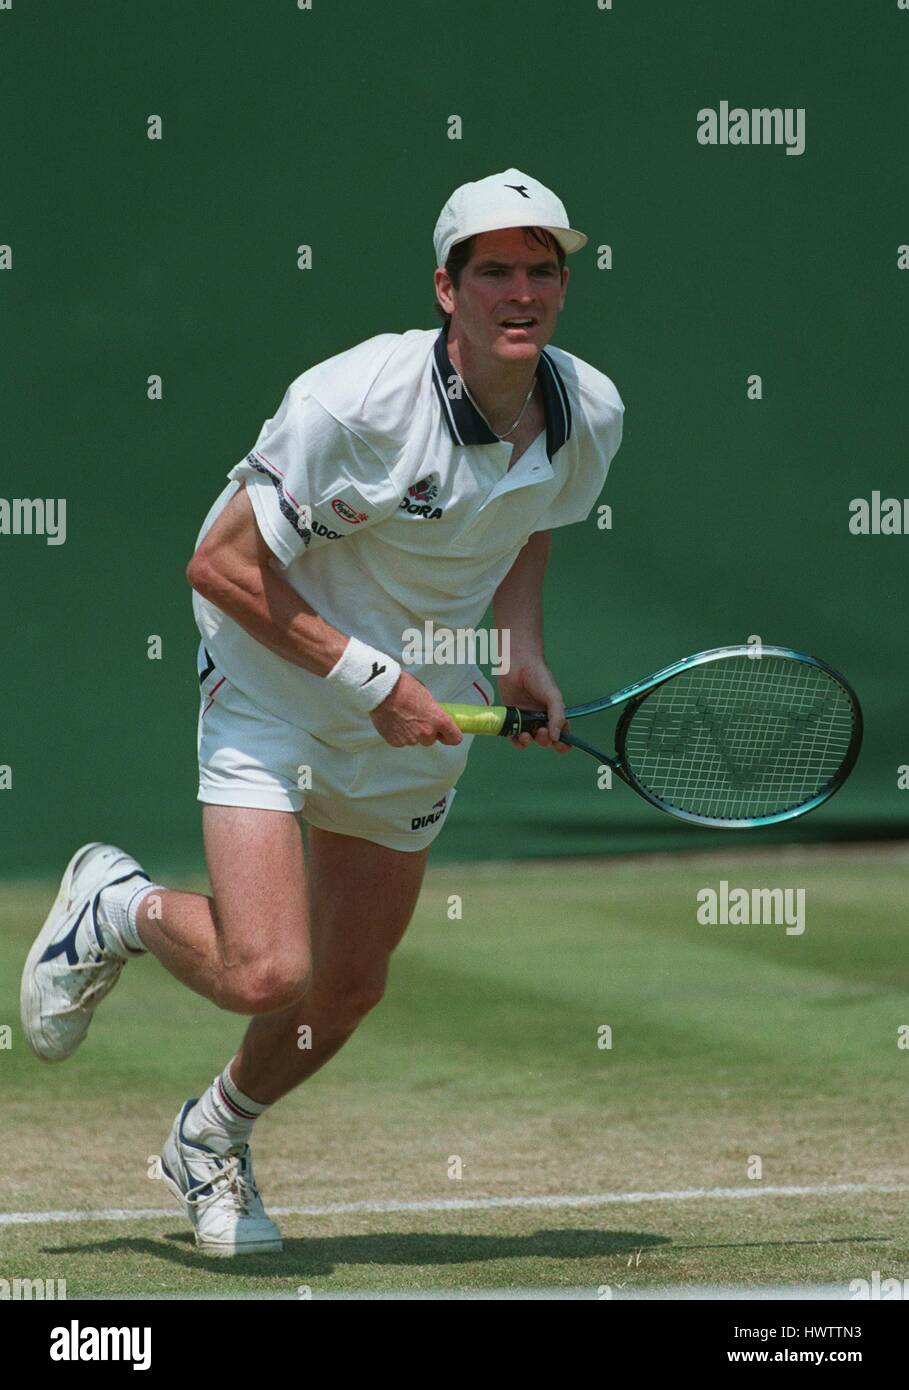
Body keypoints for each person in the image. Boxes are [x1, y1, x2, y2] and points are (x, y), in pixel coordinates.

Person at [20, 168, 624, 1255]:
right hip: (271, 679)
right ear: (448, 289)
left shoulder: (590, 410)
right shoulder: (353, 403)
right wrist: (370, 681)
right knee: (267, 973)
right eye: (495, 270)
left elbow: (533, 518)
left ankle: (208, 1140)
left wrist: (519, 648)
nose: (522, 291)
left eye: (544, 269)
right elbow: (218, 564)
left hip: (426, 693)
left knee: (344, 988)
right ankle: (116, 905)